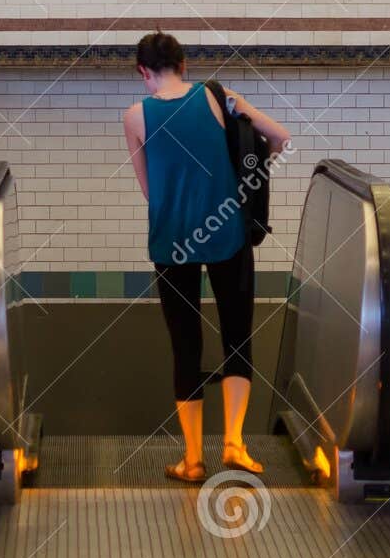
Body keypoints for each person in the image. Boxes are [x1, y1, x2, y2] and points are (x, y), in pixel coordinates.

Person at [121, 31, 292, 484]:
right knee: (238, 337)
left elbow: (149, 192)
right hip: (228, 235)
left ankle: (193, 459)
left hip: (172, 241)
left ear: (143, 72)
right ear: (185, 64)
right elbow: (279, 137)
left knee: (186, 346)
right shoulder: (220, 98)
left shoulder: (135, 117)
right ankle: (235, 445)